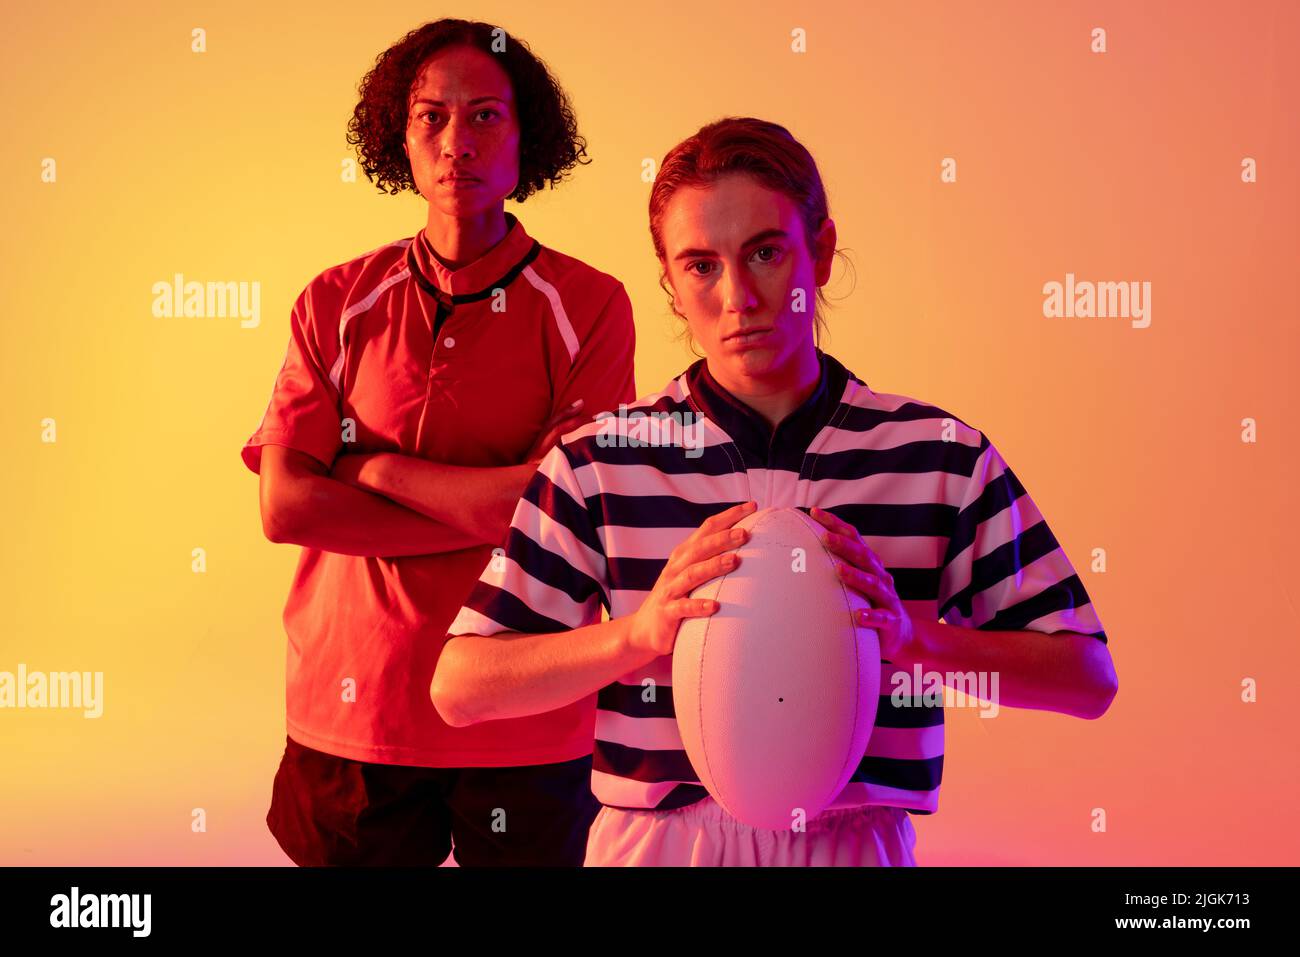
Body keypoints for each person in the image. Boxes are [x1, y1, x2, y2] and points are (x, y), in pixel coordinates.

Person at [435, 116, 1118, 867]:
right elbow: (462, 687)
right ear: (669, 280)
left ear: (819, 253)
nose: (738, 296)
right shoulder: (600, 459)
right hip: (661, 844)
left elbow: (1087, 678)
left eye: (765, 251)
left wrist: (915, 641)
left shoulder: (938, 455)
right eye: (700, 265)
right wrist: (635, 636)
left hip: (854, 842)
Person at [240, 18, 635, 866]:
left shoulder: (592, 305)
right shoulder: (335, 300)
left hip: (529, 705)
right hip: (358, 707)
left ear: (529, 137)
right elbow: (283, 506)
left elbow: (557, 511)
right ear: (401, 140)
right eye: (432, 117)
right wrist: (494, 509)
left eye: (487, 115)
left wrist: (372, 467)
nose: (459, 141)